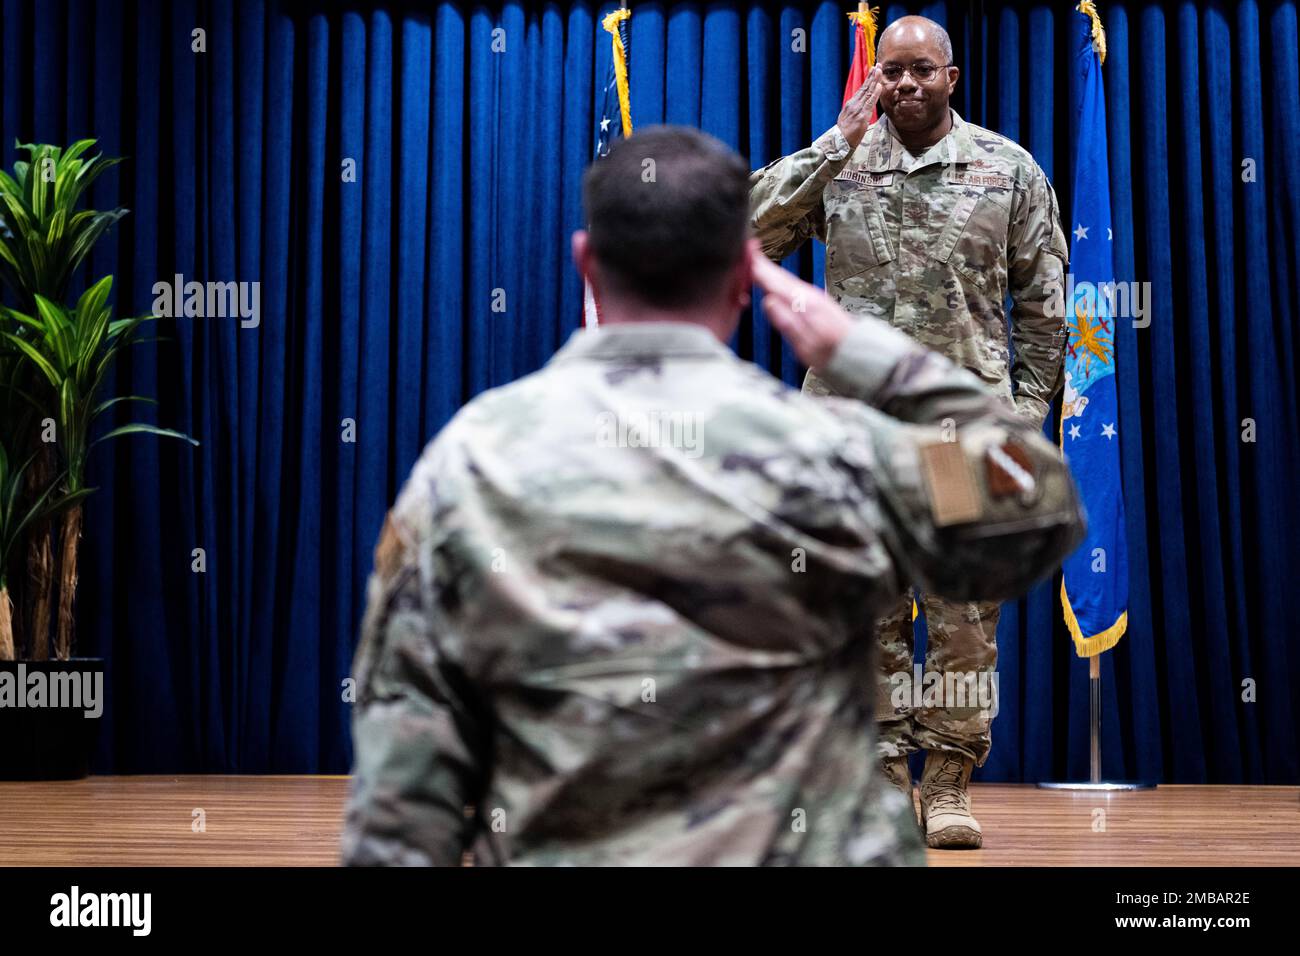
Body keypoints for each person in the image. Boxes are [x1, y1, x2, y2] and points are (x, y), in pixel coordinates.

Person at [341, 125, 1083, 866]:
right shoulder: (834, 456)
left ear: (585, 265)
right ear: (745, 275)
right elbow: (1036, 505)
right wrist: (874, 362)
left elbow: (404, 798)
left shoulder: (469, 464)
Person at [749, 15, 1070, 848]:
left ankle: (951, 784)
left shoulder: (1006, 169)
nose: (907, 85)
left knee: (963, 615)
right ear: (874, 79)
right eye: (892, 72)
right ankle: (886, 779)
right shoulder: (843, 161)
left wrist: (1022, 415)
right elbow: (744, 231)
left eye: (923, 70)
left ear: (951, 77)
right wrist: (833, 142)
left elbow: (1045, 306)